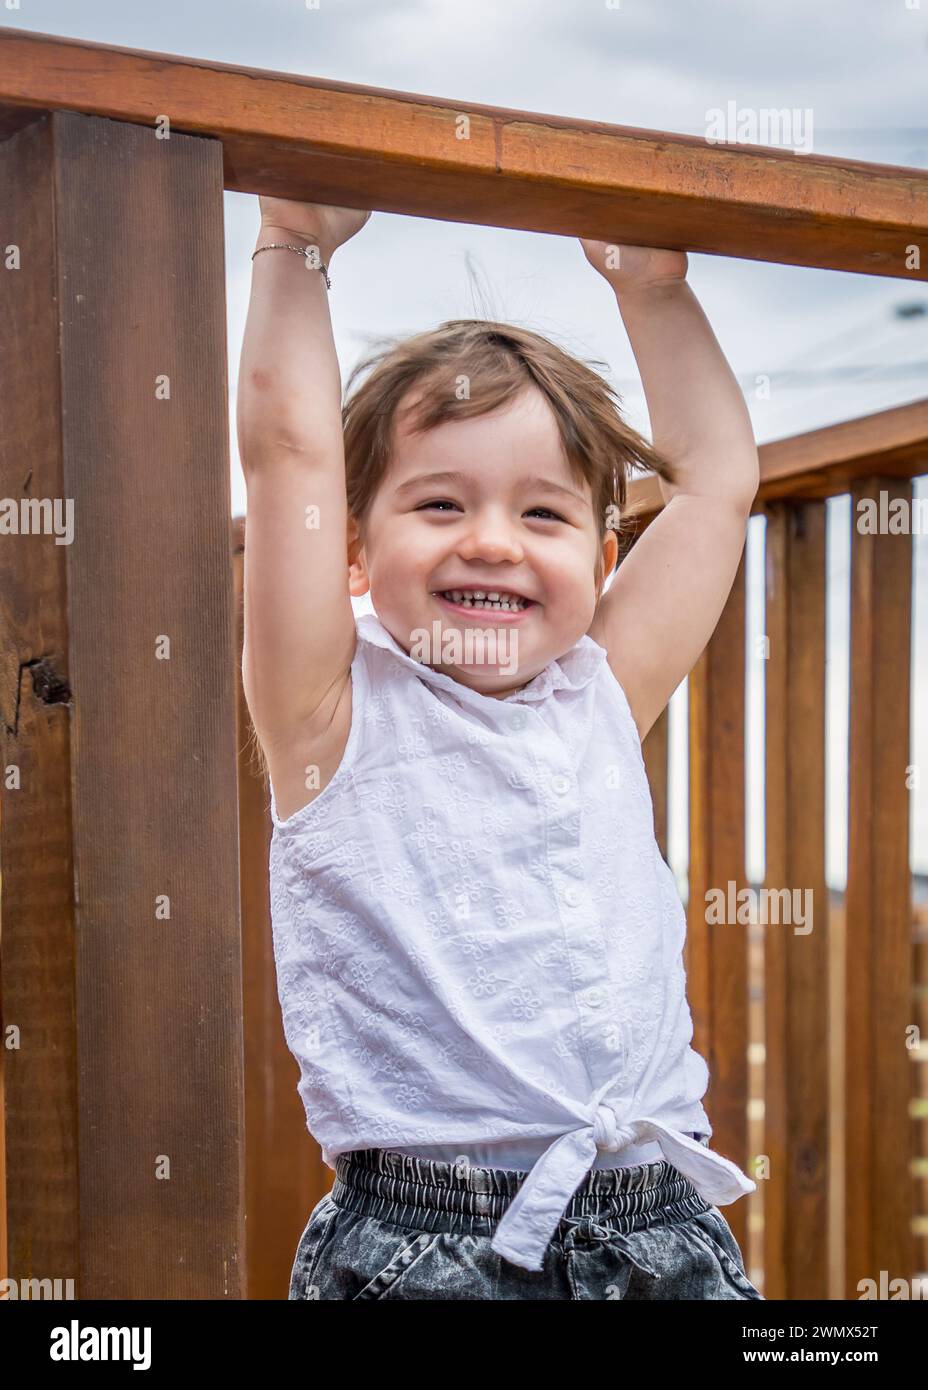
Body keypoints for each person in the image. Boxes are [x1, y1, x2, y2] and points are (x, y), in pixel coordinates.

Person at [238, 194, 763, 1300]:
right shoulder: (330, 712)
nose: (491, 539)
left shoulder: (600, 691)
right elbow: (288, 451)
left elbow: (716, 487)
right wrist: (293, 246)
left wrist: (651, 290)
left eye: (542, 515)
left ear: (605, 552)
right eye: (437, 502)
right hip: (432, 1242)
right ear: (348, 545)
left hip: (657, 1226)